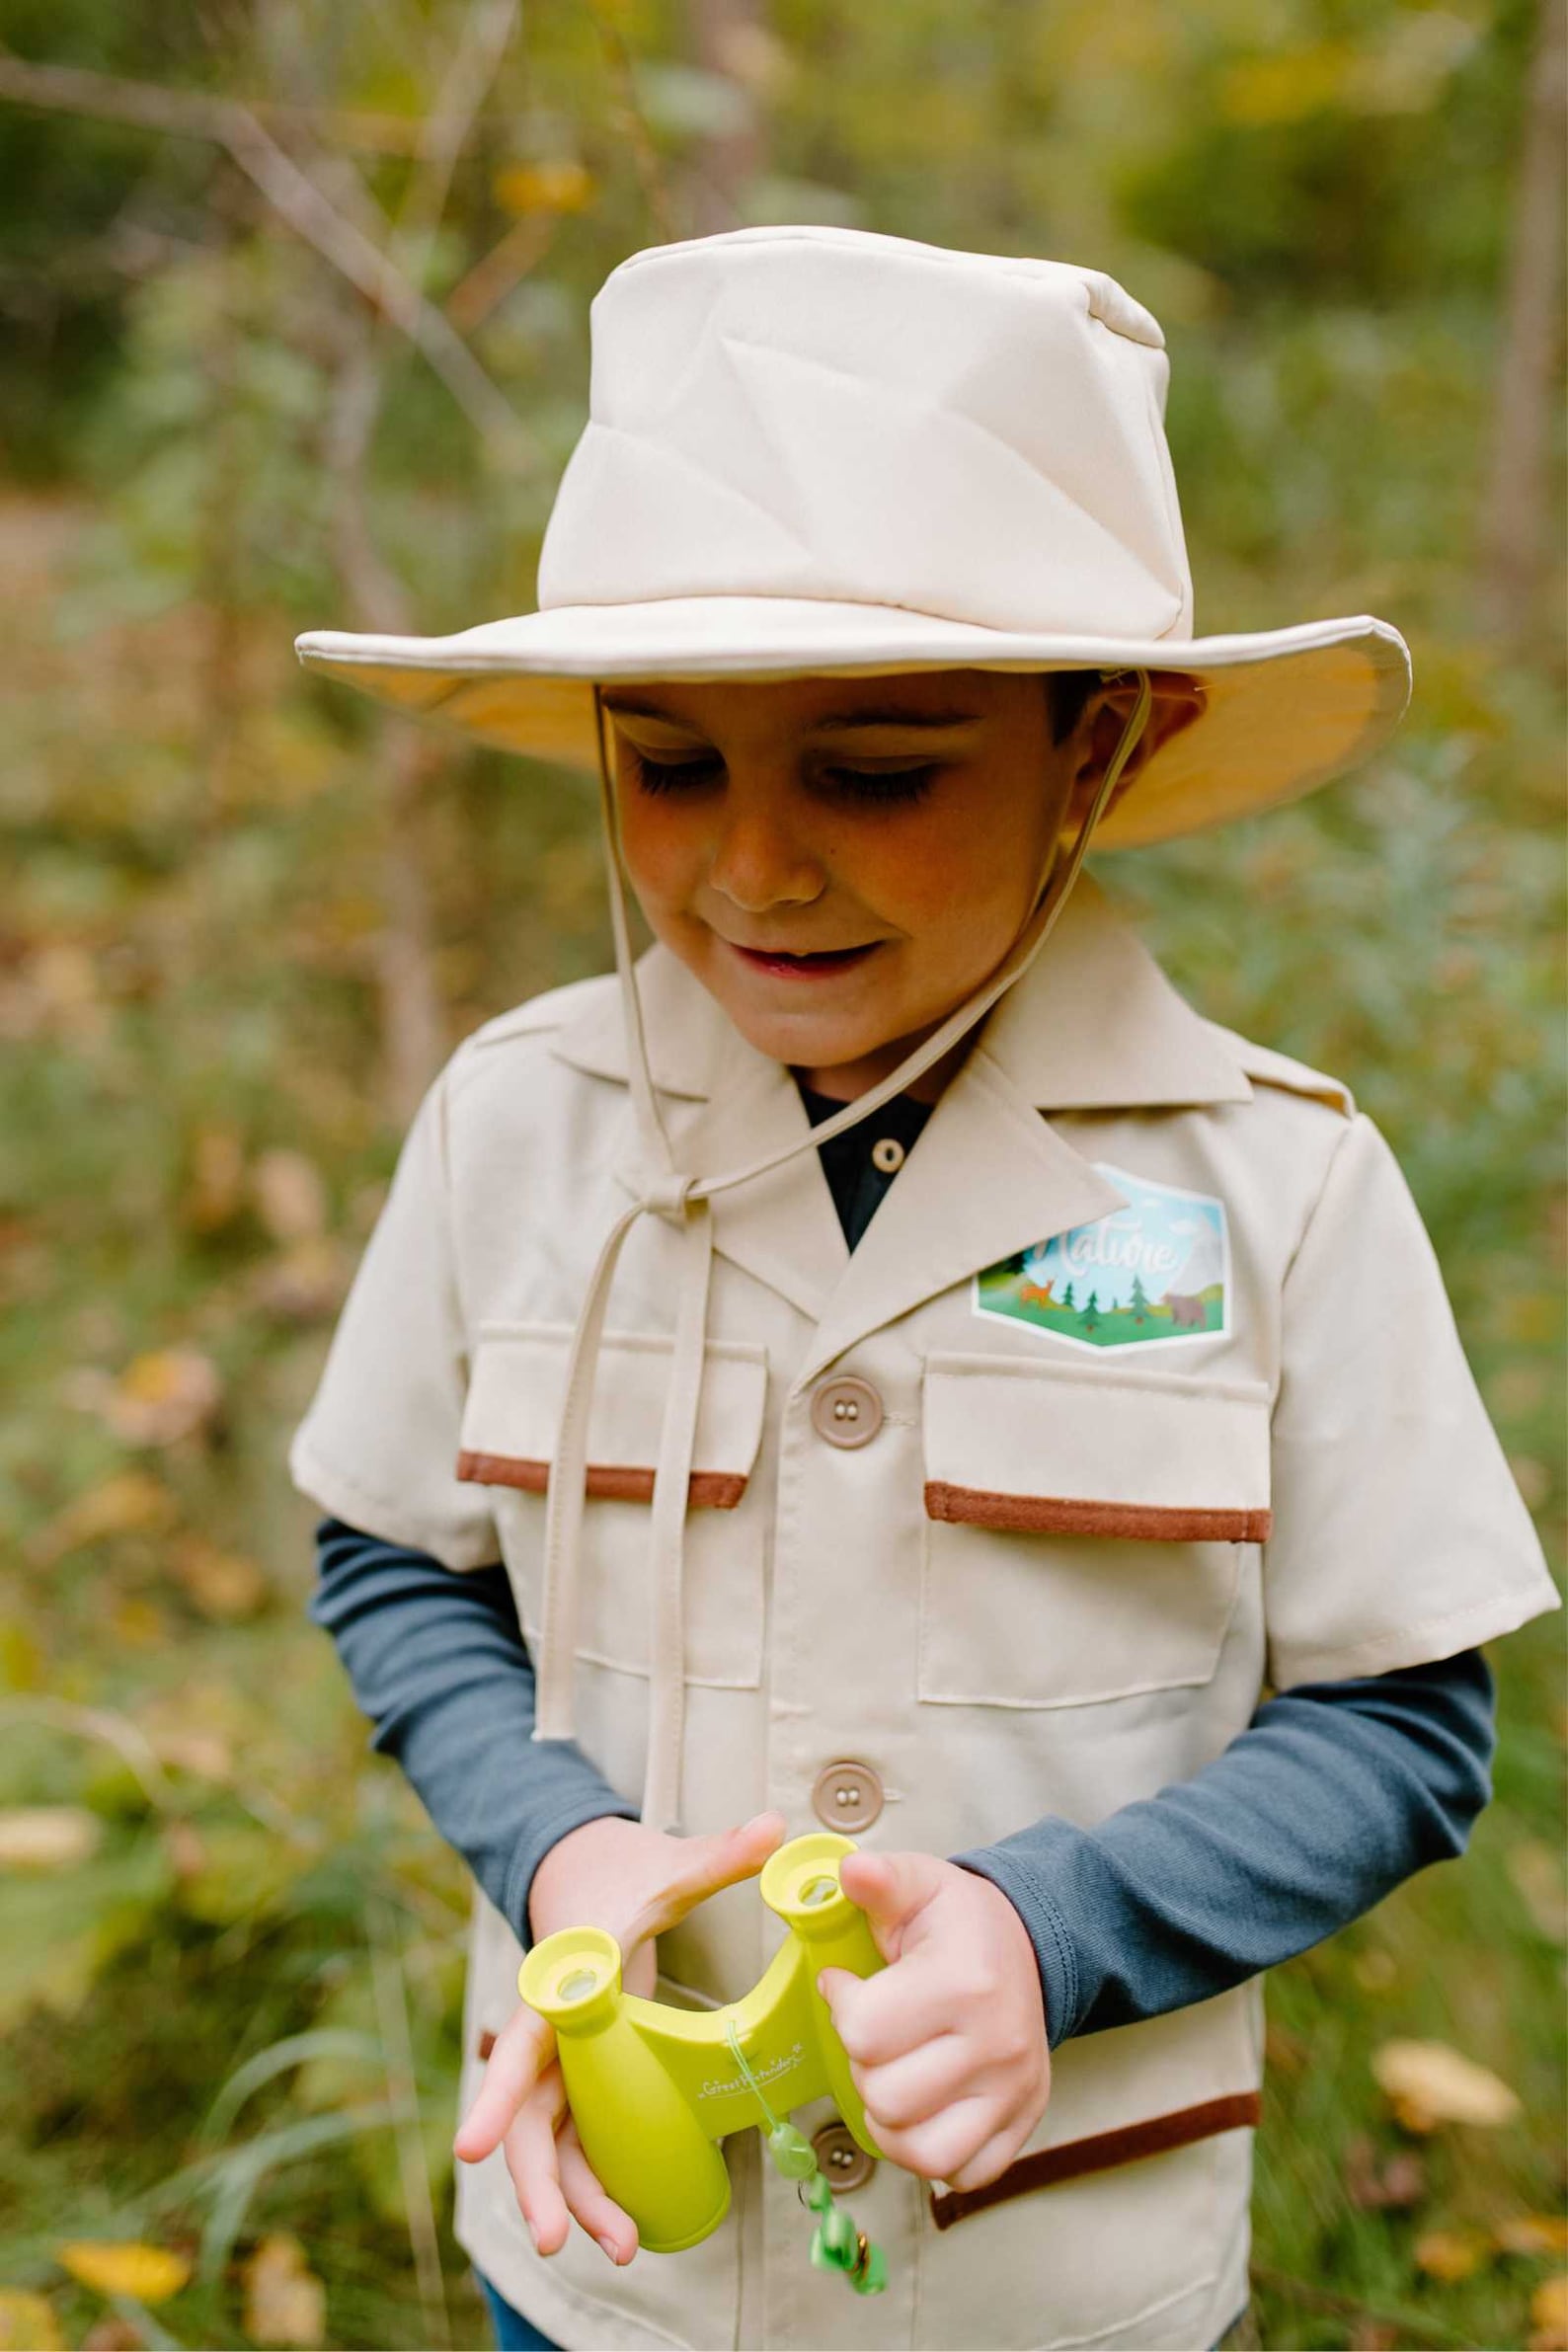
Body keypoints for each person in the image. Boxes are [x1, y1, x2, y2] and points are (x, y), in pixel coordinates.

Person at [289, 228, 1558, 2352]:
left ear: (1102, 746)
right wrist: (559, 1854)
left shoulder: (1272, 1185)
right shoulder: (520, 1129)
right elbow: (394, 1560)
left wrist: (1049, 1935)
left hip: (1059, 2288)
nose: (753, 866)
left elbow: (1399, 1721)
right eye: (668, 761)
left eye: (876, 772)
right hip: (615, 2266)